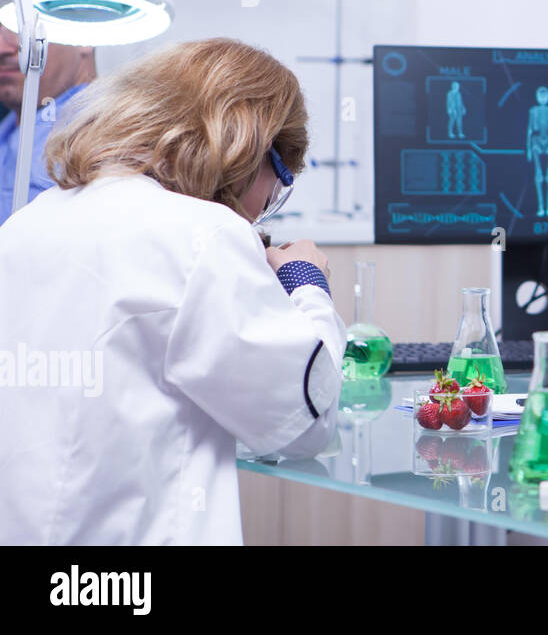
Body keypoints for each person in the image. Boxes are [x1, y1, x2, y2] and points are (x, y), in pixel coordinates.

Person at [0, 38, 345, 544]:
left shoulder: (29, 223)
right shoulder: (200, 235)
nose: (268, 203)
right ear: (252, 145)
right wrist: (305, 283)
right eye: (282, 177)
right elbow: (306, 419)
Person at [0, 0, 99, 220]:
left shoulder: (100, 142)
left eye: (21, 24)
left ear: (86, 30)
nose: (2, 46)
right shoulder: (14, 131)